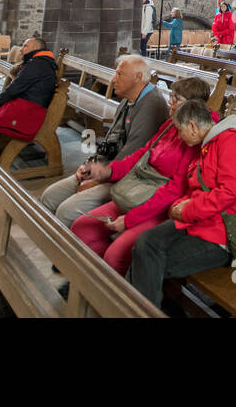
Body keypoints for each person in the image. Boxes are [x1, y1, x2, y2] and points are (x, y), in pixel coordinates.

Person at [69, 77, 217, 274]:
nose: (170, 101)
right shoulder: (169, 125)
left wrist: (130, 219)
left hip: (159, 208)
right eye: (171, 96)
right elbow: (140, 156)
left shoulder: (195, 136)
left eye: (176, 98)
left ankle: (115, 292)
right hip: (136, 191)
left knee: (116, 254)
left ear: (192, 106)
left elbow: (176, 189)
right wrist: (107, 171)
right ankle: (93, 280)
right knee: (82, 227)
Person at [127, 99, 236, 307]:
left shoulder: (232, 142)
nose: (178, 135)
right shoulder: (206, 144)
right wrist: (179, 205)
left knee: (149, 261)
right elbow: (196, 187)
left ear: (193, 126)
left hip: (223, 235)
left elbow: (231, 191)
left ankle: (136, 310)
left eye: (179, 130)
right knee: (145, 242)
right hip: (198, 222)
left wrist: (187, 210)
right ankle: (137, 308)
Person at [41, 54, 169, 226]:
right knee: (49, 196)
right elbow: (111, 141)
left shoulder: (152, 105)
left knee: (67, 210)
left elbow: (130, 156)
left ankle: (70, 249)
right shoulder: (128, 99)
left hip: (126, 178)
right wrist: (88, 166)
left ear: (138, 77)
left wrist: (97, 179)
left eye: (119, 74)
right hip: (106, 168)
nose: (113, 79)